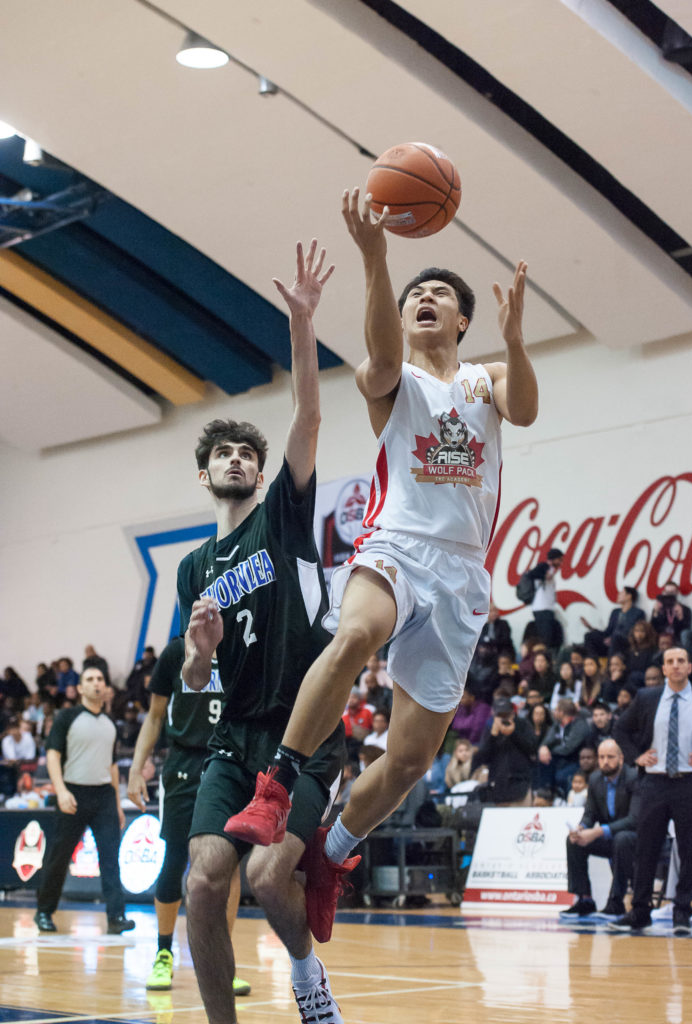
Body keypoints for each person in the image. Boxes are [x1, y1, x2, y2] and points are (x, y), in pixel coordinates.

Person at [225, 188, 539, 946]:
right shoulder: (393, 378)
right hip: (395, 544)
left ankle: (332, 857)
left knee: (409, 761)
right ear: (399, 319)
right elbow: (383, 354)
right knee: (355, 636)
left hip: (463, 572)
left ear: (463, 320)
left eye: (440, 295)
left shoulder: (485, 379)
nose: (426, 298)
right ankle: (273, 789)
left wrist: (517, 338)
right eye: (414, 295)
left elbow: (524, 410)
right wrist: (376, 260)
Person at [176, 241, 348, 1024]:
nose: (239, 459)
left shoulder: (282, 518)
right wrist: (201, 656)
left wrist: (301, 323)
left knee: (274, 879)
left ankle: (307, 977)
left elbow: (308, 413)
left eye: (248, 451)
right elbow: (191, 682)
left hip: (300, 734)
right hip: (231, 739)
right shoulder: (191, 568)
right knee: (203, 882)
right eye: (226, 453)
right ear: (205, 474)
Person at [126, 636, 250, 995]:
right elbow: (153, 716)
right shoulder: (176, 651)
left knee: (229, 862)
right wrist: (137, 768)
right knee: (176, 856)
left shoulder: (242, 644)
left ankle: (223, 964)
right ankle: (163, 954)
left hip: (230, 762)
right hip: (184, 762)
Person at [610, 647, 692, 934]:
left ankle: (682, 911)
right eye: (670, 662)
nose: (675, 666)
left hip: (691, 782)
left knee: (689, 848)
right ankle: (640, 911)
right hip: (654, 781)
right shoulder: (647, 698)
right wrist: (636, 756)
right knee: (646, 847)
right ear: (663, 669)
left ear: (690, 667)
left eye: (681, 661)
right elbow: (620, 731)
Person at [34, 667, 134, 934]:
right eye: (89, 679)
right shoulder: (67, 717)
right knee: (59, 857)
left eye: (100, 679)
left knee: (111, 858)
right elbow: (53, 756)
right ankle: (44, 911)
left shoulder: (110, 723)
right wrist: (61, 790)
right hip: (73, 793)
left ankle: (116, 917)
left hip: (103, 796)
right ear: (79, 688)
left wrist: (116, 803)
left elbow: (112, 767)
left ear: (106, 687)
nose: (96, 683)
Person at [562, 738, 639, 918]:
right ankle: (584, 899)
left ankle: (616, 902)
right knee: (574, 841)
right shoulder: (596, 779)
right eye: (601, 757)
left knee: (621, 839)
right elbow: (590, 814)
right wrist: (581, 828)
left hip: (635, 838)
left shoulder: (633, 777)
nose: (605, 761)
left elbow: (634, 820)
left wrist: (597, 831)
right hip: (610, 837)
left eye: (610, 757)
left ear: (621, 759)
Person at [471, 697, 537, 805]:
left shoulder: (523, 724)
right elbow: (482, 758)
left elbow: (532, 749)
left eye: (506, 715)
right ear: (494, 715)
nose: (503, 719)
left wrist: (513, 733)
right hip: (498, 788)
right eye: (500, 716)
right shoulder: (490, 730)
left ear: (513, 713)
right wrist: (492, 737)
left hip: (520, 786)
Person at [538, 698, 591, 797]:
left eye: (556, 710)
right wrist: (543, 748)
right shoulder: (557, 725)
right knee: (543, 761)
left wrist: (549, 751)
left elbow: (568, 748)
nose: (553, 712)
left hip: (576, 760)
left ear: (561, 712)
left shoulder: (579, 725)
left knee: (561, 776)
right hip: (560, 759)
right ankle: (545, 794)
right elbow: (547, 741)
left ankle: (564, 799)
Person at [582, 586, 645, 659]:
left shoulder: (638, 613)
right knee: (589, 636)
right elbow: (607, 631)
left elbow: (632, 631)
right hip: (611, 641)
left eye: (621, 593)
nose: (618, 595)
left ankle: (609, 667)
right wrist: (590, 628)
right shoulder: (615, 612)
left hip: (624, 642)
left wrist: (612, 638)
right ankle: (593, 662)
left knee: (616, 638)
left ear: (629, 596)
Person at [527, 549, 564, 649]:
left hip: (547, 608)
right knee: (545, 638)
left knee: (551, 636)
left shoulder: (550, 569)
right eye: (559, 559)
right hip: (542, 608)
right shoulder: (544, 566)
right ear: (553, 558)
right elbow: (531, 574)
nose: (561, 562)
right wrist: (544, 576)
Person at [649, 582, 692, 646]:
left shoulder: (685, 609)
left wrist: (680, 616)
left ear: (677, 592)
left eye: (672, 592)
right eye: (667, 592)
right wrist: (655, 613)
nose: (669, 595)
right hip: (660, 639)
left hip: (677, 639)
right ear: (664, 592)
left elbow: (686, 630)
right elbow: (652, 627)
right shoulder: (659, 608)